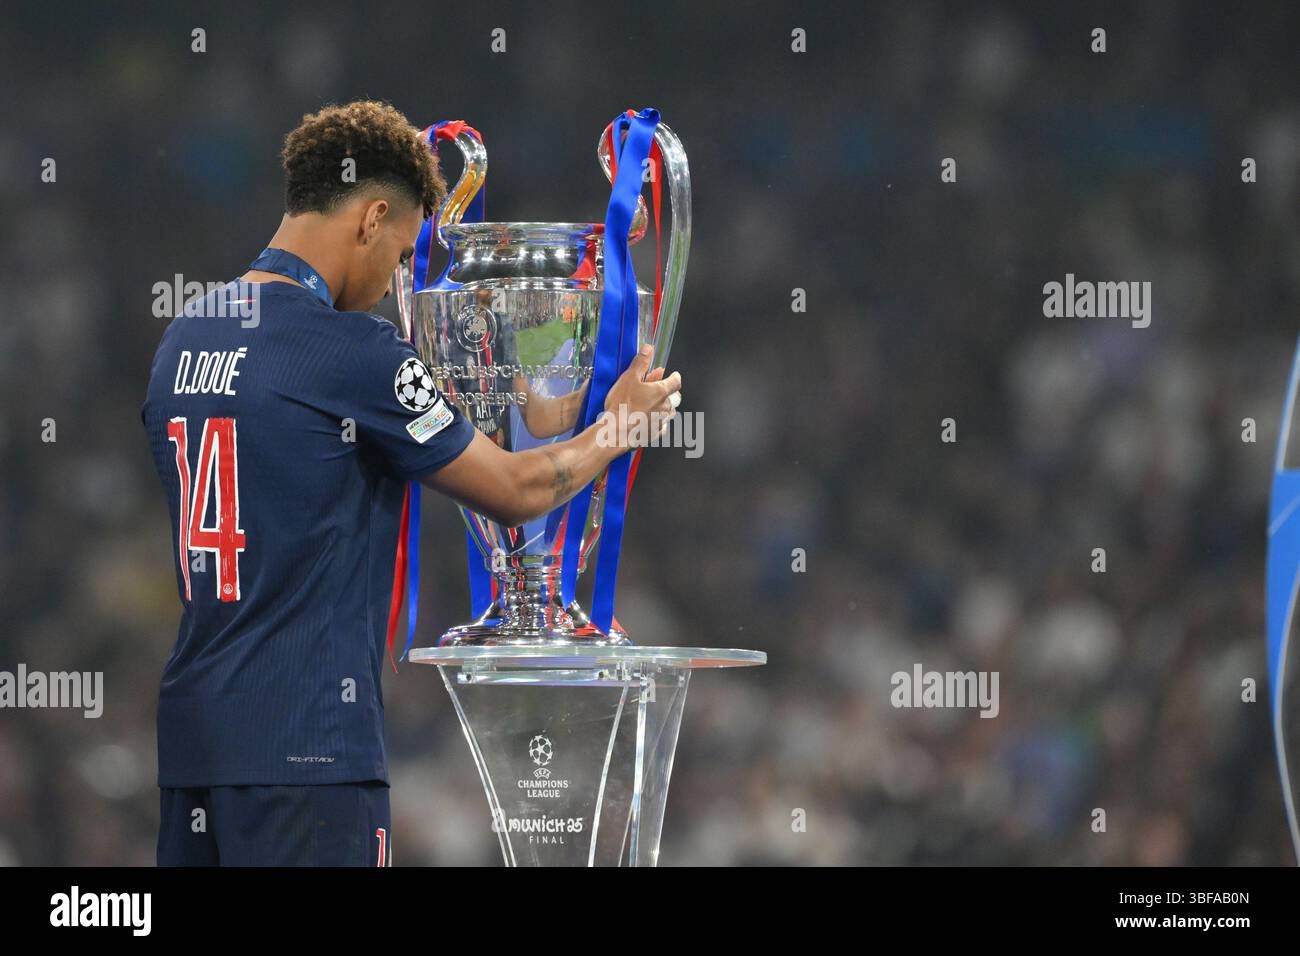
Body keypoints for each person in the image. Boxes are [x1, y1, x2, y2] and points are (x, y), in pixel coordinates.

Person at [140, 100, 681, 866]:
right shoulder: (351, 351)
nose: (394, 280)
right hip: (311, 756)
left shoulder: (183, 337)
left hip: (195, 742)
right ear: (372, 218)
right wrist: (617, 425)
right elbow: (517, 491)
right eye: (400, 255)